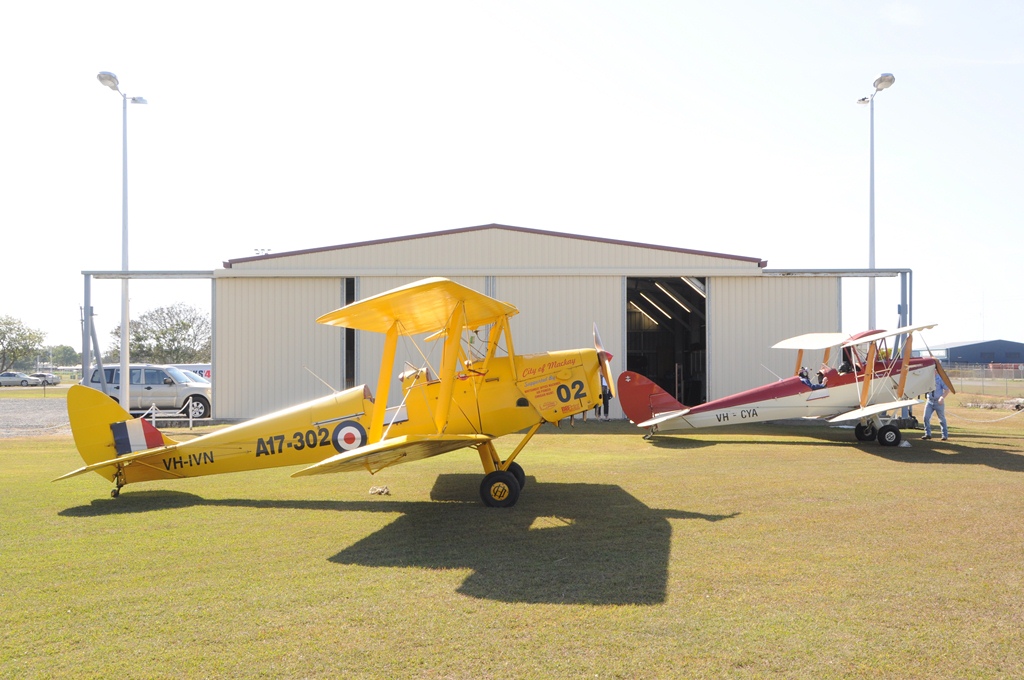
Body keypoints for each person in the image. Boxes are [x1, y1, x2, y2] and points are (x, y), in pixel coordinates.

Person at [922, 372, 951, 440]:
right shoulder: (928, 378)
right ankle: (928, 434)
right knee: (926, 417)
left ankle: (944, 435)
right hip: (929, 401)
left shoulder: (940, 379)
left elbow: (947, 390)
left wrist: (942, 397)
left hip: (938, 402)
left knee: (941, 419)